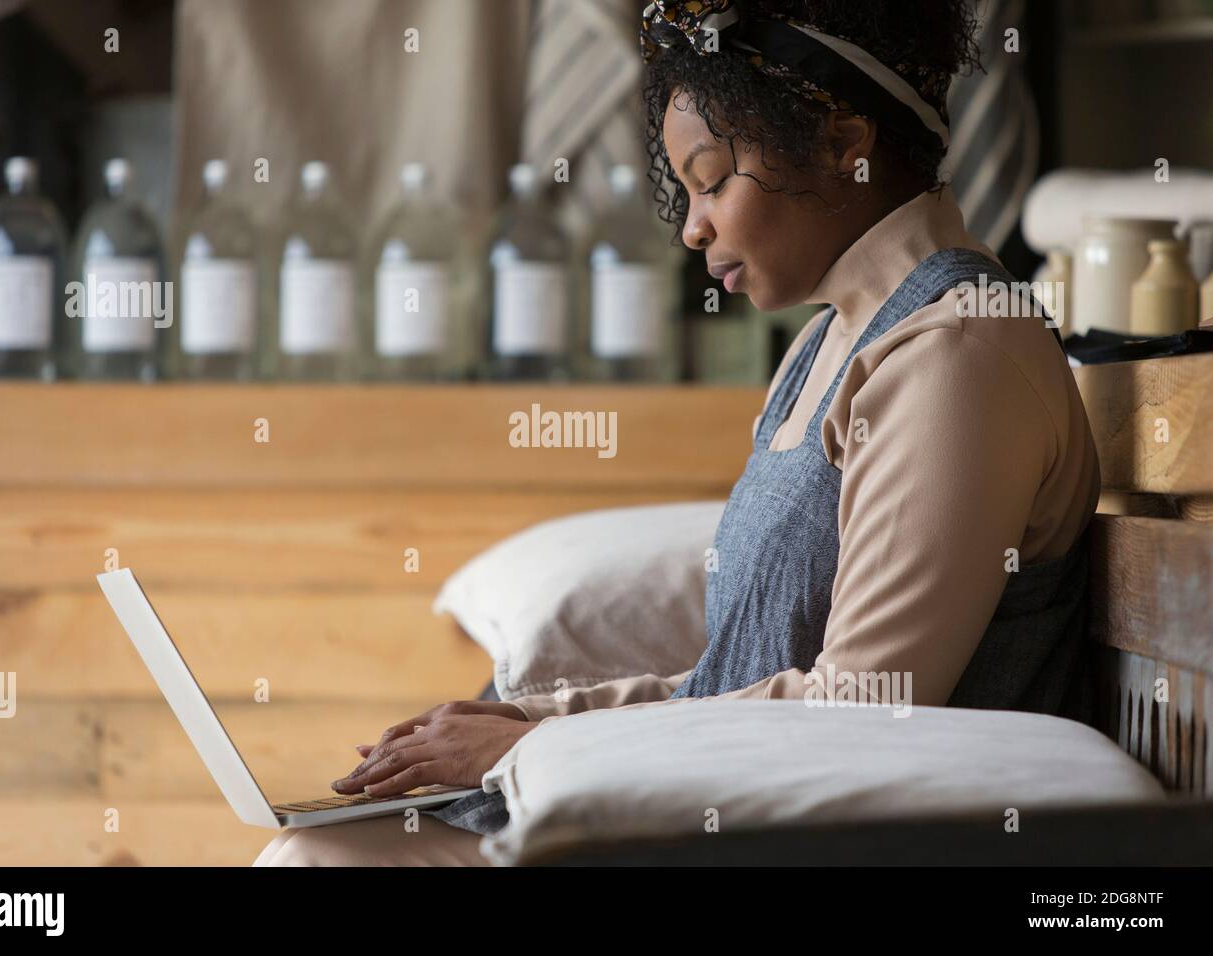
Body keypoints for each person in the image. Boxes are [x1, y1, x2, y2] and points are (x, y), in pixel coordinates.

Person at [256, 0, 1099, 867]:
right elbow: (735, 679)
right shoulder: (826, 346)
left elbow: (858, 708)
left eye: (713, 180)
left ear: (844, 144)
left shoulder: (954, 353)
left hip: (834, 836)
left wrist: (535, 746)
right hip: (733, 805)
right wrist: (531, 719)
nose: (692, 228)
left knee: (327, 859)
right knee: (333, 845)